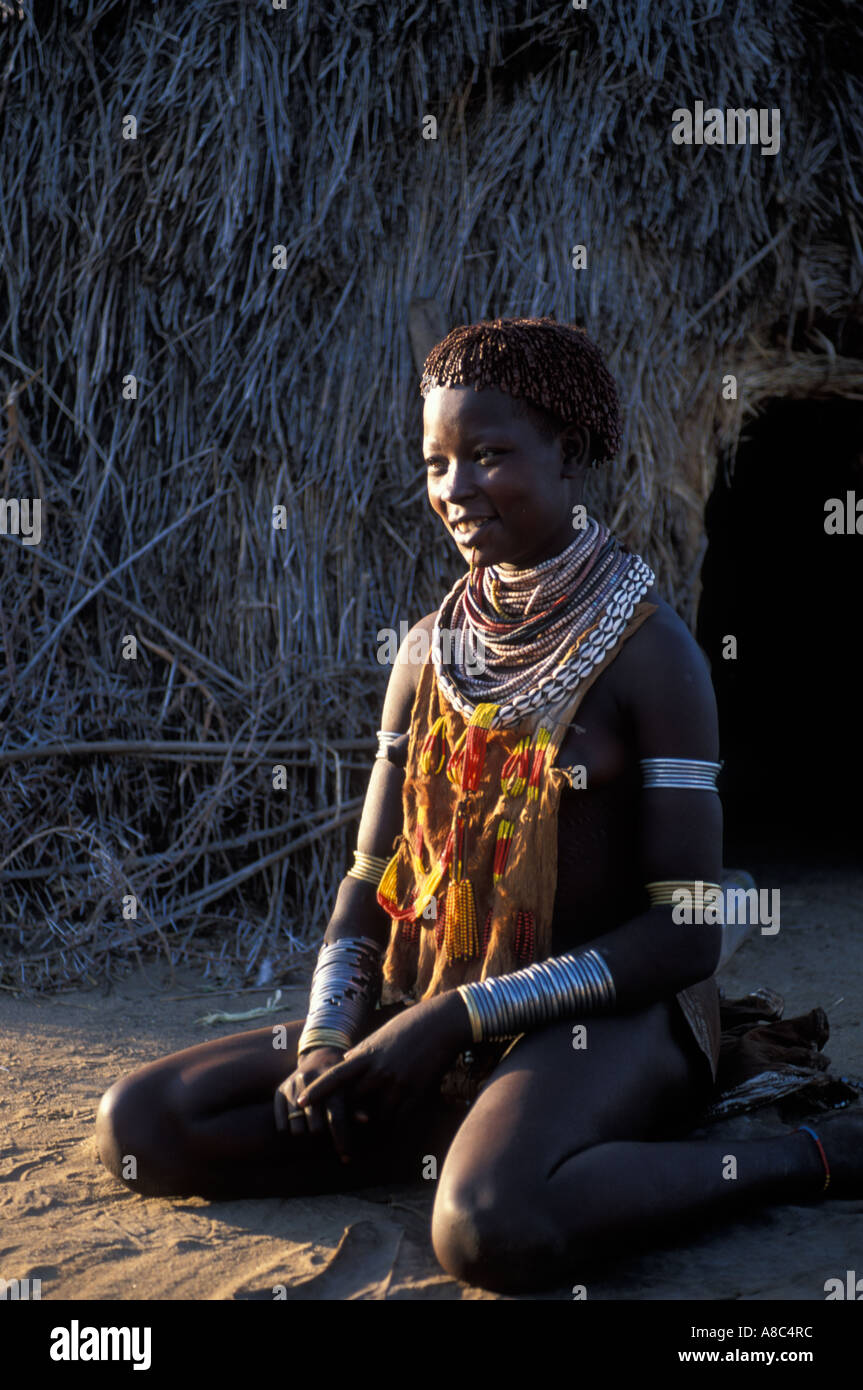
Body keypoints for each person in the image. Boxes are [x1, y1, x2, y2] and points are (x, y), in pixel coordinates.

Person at [96, 316, 861, 1296]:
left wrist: (453, 1020)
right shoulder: (424, 652)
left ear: (571, 454)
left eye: (489, 455)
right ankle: (484, 1121)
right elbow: (370, 877)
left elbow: (684, 934)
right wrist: (334, 1032)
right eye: (436, 462)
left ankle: (807, 1152)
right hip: (433, 994)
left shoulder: (650, 656)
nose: (454, 491)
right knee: (143, 1124)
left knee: (490, 1228)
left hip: (614, 1014)